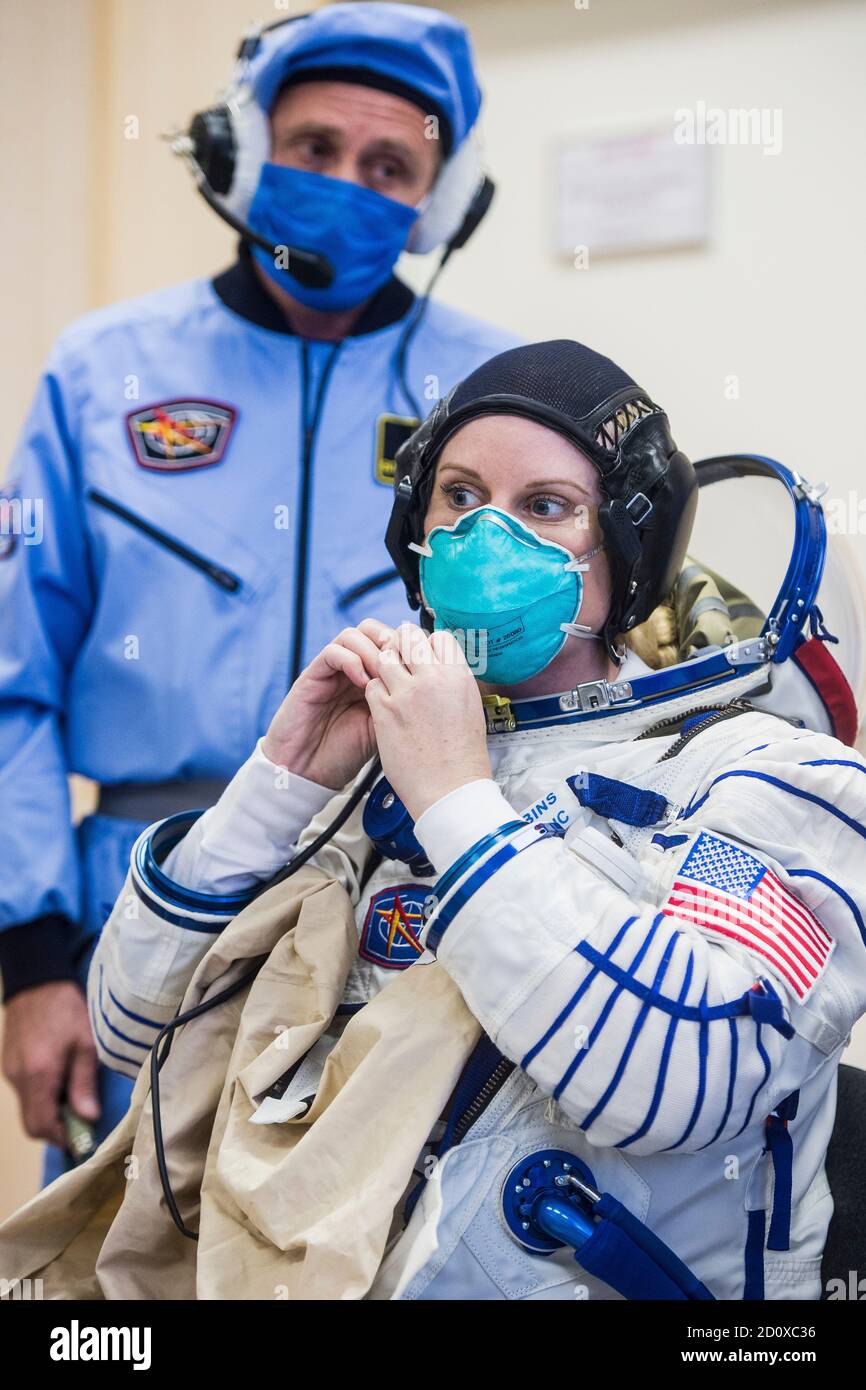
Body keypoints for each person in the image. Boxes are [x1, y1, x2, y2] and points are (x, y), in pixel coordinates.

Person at [89, 340, 866, 1299]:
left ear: (628, 547)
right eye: (458, 496)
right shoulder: (386, 753)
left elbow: (678, 1079)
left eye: (545, 507)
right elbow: (132, 1035)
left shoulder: (778, 779)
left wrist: (457, 806)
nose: (482, 537)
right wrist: (277, 787)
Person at [0, 3, 518, 1182]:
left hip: (399, 921)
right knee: (124, 1279)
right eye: (314, 147)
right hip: (141, 910)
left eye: (391, 163)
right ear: (244, 154)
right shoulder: (101, 371)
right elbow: (9, 685)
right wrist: (30, 968)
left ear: (443, 199)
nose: (347, 182)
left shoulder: (493, 390)